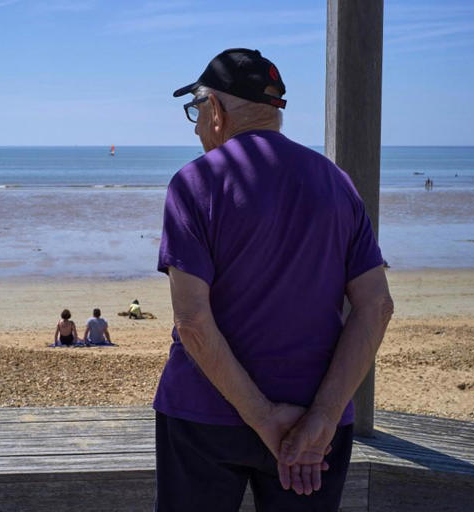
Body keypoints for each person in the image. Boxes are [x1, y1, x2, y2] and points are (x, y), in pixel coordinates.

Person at [154, 48, 393, 511]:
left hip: (205, 415)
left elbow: (193, 322)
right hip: (315, 425)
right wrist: (321, 419)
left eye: (196, 111)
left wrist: (265, 421)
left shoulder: (196, 182)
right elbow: (376, 306)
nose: (198, 125)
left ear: (216, 109)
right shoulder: (337, 182)